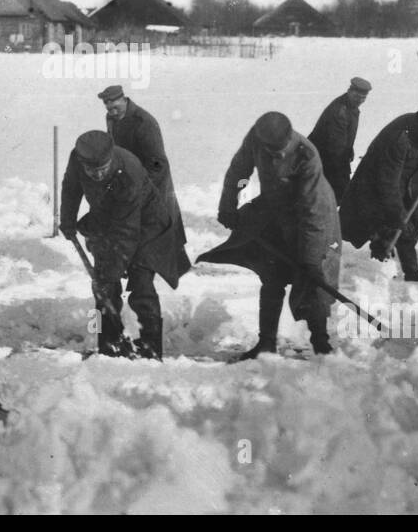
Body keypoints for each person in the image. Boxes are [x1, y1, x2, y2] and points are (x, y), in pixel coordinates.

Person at [199, 111, 341, 357]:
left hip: (313, 217)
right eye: (268, 150)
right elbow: (239, 172)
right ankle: (266, 343)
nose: (273, 156)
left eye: (278, 151)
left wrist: (309, 258)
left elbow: (313, 214)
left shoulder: (307, 156)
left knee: (312, 279)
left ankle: (322, 344)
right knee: (271, 275)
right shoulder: (257, 137)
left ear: (289, 138)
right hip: (276, 212)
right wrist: (228, 205)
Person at [59, 130, 189, 359]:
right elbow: (71, 186)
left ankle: (151, 349)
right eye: (91, 171)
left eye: (102, 170)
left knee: (141, 285)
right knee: (102, 289)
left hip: (146, 224)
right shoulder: (78, 157)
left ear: (111, 160)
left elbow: (127, 232)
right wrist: (67, 220)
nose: (97, 175)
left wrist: (112, 271)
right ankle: (106, 344)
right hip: (106, 219)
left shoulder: (130, 170)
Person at [339, 101, 418, 281]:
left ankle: (404, 275)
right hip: (372, 190)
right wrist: (398, 215)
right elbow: (387, 183)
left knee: (399, 229)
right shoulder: (399, 138)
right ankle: (378, 276)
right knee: (390, 227)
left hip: (394, 185)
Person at [99, 85, 189, 266]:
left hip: (153, 181)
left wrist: (141, 186)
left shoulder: (144, 122)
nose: (113, 112)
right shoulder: (112, 118)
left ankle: (178, 268)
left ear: (124, 99)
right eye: (109, 108)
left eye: (116, 107)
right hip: (129, 179)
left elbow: (158, 163)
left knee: (160, 226)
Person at [308, 77, 371, 201]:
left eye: (363, 98)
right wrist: (343, 173)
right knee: (335, 195)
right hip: (322, 158)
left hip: (331, 156)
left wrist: (349, 149)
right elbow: (336, 148)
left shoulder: (350, 106)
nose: (360, 100)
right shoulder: (340, 111)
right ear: (349, 91)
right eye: (357, 96)